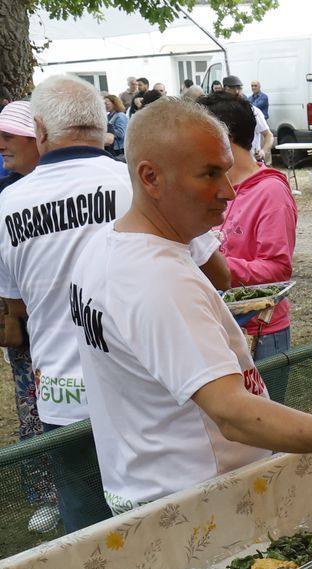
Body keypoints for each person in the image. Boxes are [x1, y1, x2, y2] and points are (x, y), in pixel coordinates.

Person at [68, 99, 312, 513]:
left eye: (226, 168)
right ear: (151, 177)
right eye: (209, 174)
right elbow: (232, 414)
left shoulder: (105, 246)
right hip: (197, 499)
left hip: (148, 483)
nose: (228, 190)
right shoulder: (158, 280)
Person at [0, 77, 225, 531]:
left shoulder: (9, 204)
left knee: (88, 531)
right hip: (148, 387)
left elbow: (13, 308)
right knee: (167, 519)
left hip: (63, 392)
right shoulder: (141, 182)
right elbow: (217, 272)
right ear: (103, 124)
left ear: (40, 131)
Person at [0, 100, 60, 532]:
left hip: (55, 324)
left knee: (58, 409)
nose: (1, 145)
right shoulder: (9, 193)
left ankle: (67, 490)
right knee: (31, 412)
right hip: (26, 328)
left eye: (9, 135)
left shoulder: (57, 188)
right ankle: (46, 495)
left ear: (38, 137)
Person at [200, 93, 297, 361]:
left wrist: (210, 261)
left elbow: (278, 269)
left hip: (259, 331)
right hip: (216, 324)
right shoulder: (212, 188)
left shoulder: (270, 191)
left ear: (224, 138)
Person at [221, 76, 272, 162]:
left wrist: (263, 151)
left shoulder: (254, 111)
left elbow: (269, 135)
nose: (237, 91)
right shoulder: (220, 112)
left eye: (239, 88)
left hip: (252, 164)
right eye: (233, 89)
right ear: (226, 89)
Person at [103, 94, 128, 158]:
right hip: (111, 148)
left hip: (118, 148)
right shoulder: (108, 116)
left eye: (107, 104)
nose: (105, 106)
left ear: (114, 103)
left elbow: (120, 133)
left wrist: (109, 130)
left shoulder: (120, 116)